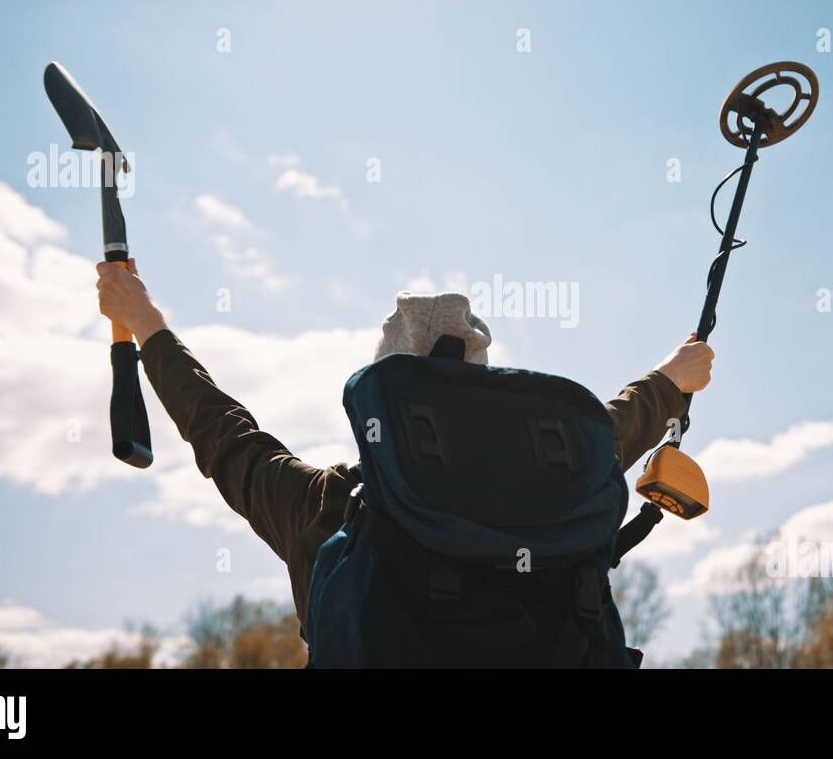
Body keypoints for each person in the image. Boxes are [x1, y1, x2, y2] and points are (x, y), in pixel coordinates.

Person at [95, 260, 714, 645]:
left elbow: (224, 436)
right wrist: (671, 378)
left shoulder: (330, 506)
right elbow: (615, 426)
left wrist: (146, 323)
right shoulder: (560, 476)